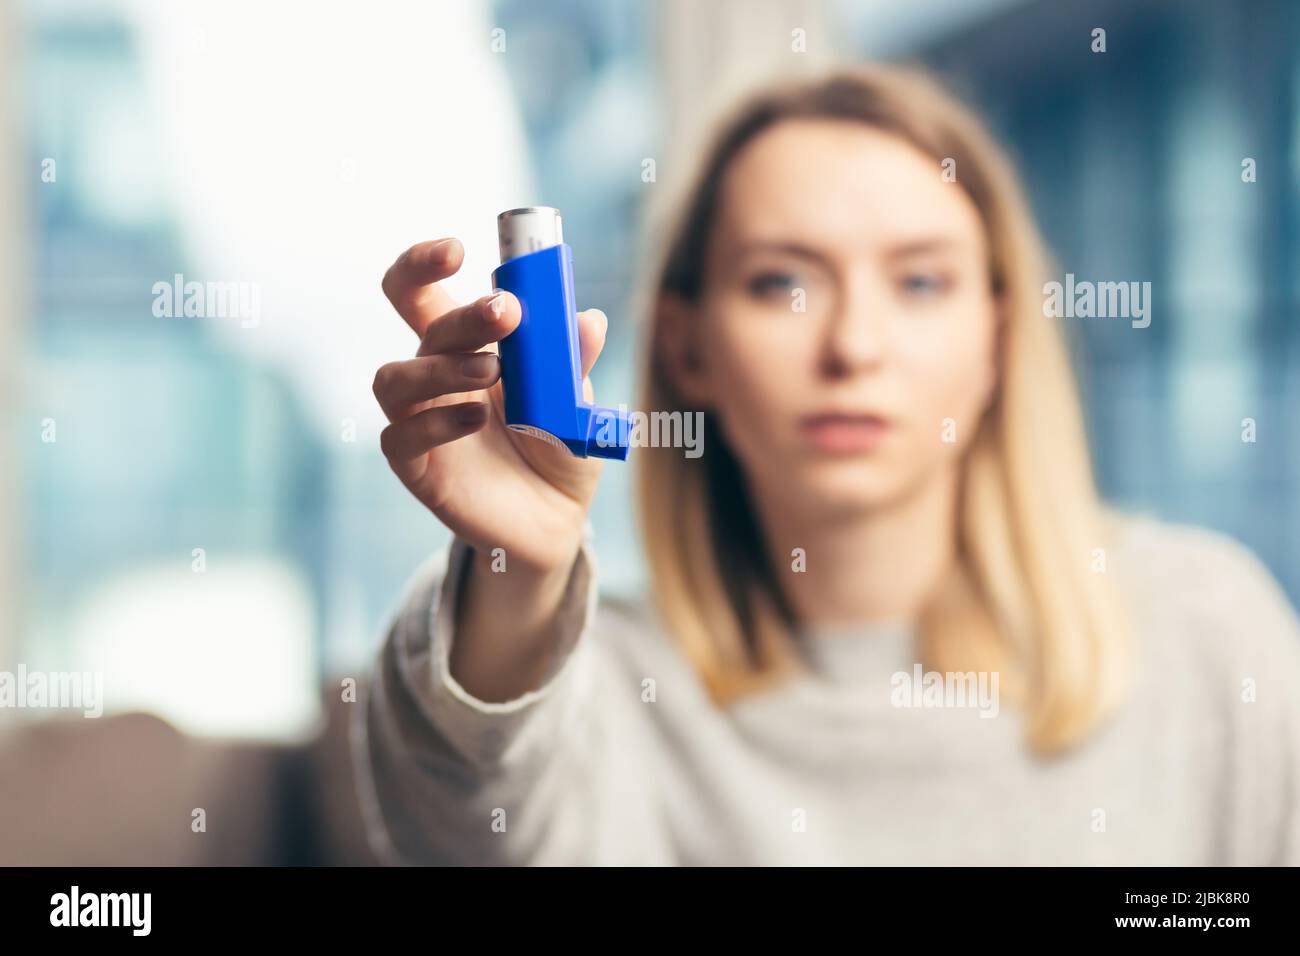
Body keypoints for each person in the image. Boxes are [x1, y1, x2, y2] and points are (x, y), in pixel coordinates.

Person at [358, 64, 1300, 865]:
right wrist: (520, 570)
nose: (853, 345)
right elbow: (465, 817)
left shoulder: (1206, 630)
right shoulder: (609, 699)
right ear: (688, 351)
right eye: (783, 282)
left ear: (997, 345)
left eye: (920, 281)